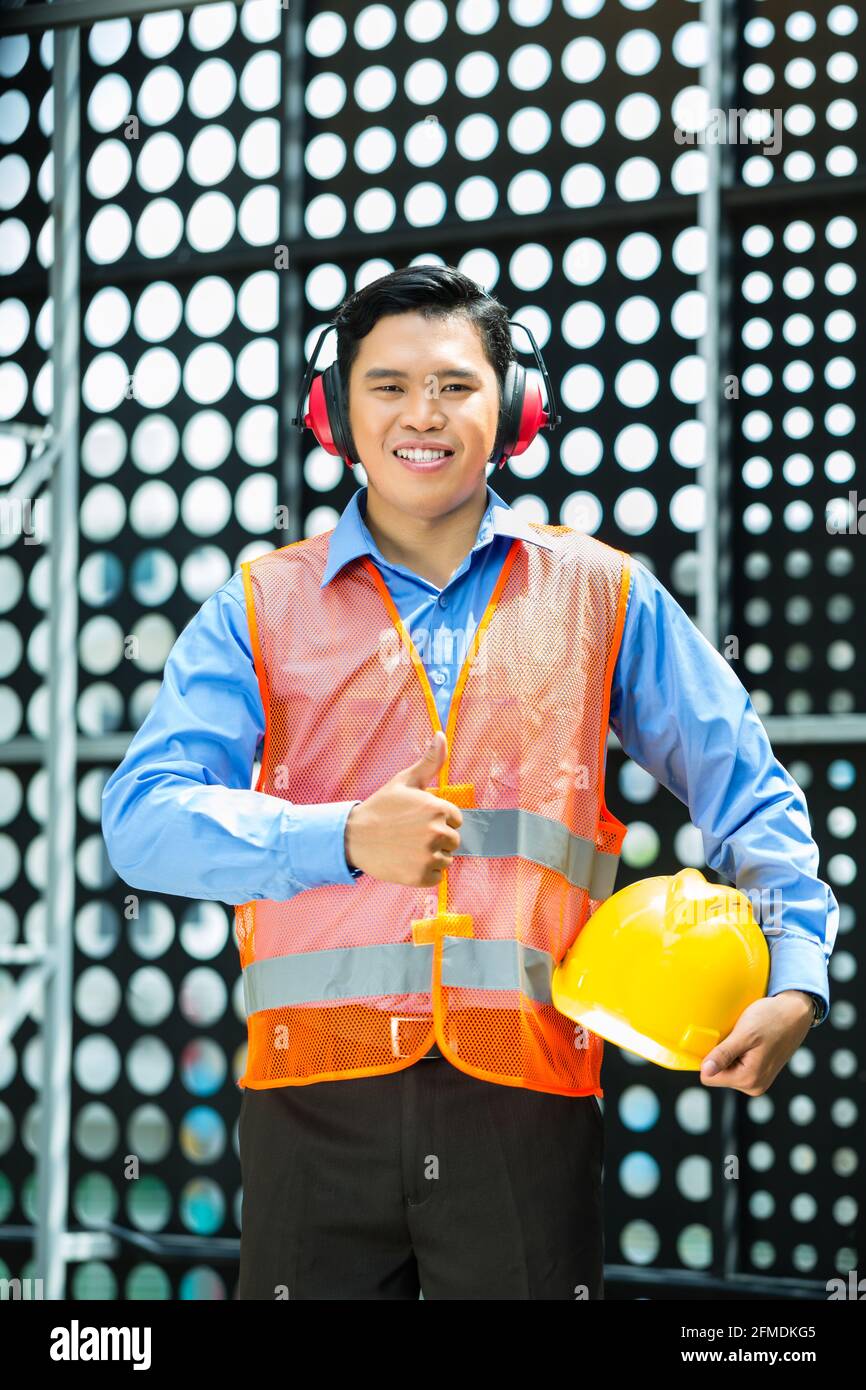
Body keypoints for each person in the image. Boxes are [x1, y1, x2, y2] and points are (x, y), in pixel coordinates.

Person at [102, 265, 836, 1300]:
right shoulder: (257, 606)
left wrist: (796, 968)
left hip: (522, 1105)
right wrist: (342, 836)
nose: (421, 414)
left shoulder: (601, 592)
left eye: (453, 385)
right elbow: (141, 822)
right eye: (387, 385)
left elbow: (746, 789)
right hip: (310, 1108)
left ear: (513, 408)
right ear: (334, 412)